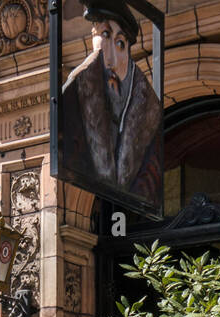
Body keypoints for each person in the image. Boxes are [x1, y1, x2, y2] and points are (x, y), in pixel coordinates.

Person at [60, 1, 163, 209]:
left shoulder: (150, 109)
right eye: (105, 37)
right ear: (94, 42)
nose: (111, 61)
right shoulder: (76, 94)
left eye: (120, 44)